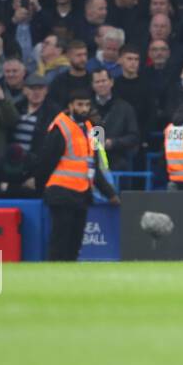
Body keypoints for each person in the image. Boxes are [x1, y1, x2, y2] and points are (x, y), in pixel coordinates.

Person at [38, 87, 119, 261]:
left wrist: (110, 193)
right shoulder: (61, 126)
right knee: (60, 241)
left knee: (75, 242)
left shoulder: (90, 128)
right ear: (70, 106)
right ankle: (54, 277)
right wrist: (42, 187)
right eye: (80, 105)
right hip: (61, 190)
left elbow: (93, 166)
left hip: (81, 192)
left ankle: (68, 278)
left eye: (87, 105)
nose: (84, 109)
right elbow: (46, 160)